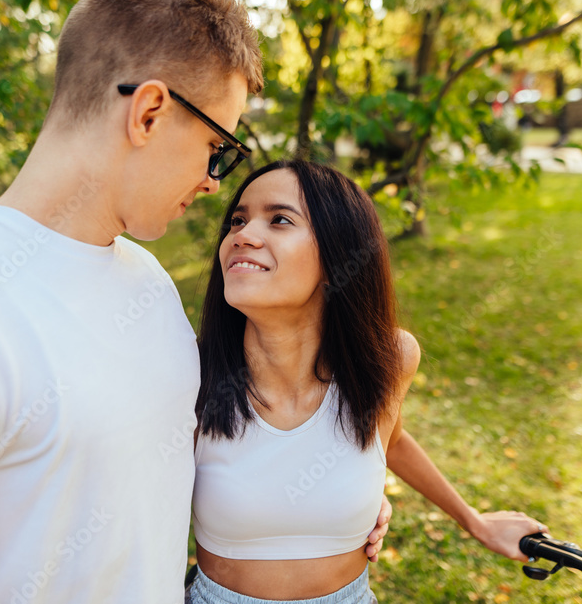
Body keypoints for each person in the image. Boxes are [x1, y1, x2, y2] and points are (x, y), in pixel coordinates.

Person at [0, 0, 390, 604]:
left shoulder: (148, 283)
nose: (213, 180)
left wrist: (337, 503)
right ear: (150, 113)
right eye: (218, 146)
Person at [188, 160, 548, 603]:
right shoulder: (190, 374)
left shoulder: (389, 361)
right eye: (238, 220)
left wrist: (474, 521)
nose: (241, 234)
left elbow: (389, 441)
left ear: (338, 252)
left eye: (279, 219)